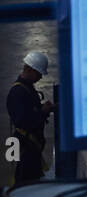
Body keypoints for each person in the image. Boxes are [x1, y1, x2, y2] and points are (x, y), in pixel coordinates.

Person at [6, 51, 54, 186]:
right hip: (24, 146)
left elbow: (29, 112)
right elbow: (22, 121)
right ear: (28, 69)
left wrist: (44, 109)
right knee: (23, 182)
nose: (40, 77)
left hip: (28, 145)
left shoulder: (27, 88)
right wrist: (42, 112)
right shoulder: (17, 92)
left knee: (30, 178)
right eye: (38, 74)